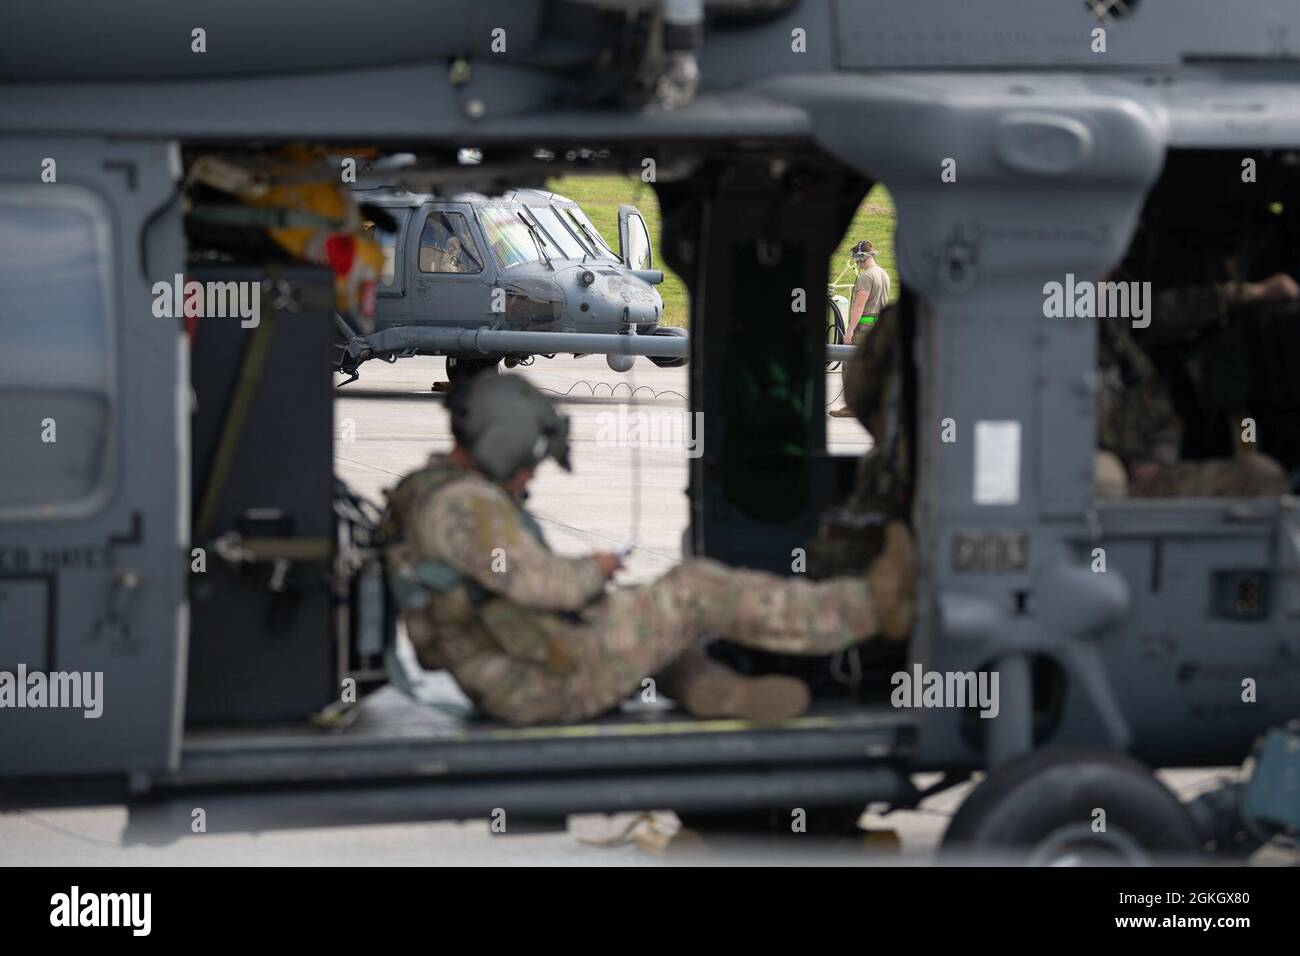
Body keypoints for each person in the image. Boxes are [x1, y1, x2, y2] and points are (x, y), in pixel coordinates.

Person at [384, 374, 915, 726]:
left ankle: (717, 693)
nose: (527, 475)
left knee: (645, 618)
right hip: (542, 684)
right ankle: (870, 605)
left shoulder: (430, 494)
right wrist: (593, 568)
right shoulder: (467, 507)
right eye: (528, 460)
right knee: (693, 589)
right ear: (501, 445)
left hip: (515, 672)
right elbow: (537, 582)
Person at [1096, 273, 1298, 498]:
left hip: (1155, 466)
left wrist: (1159, 457)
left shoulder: (1119, 336)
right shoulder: (1060, 332)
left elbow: (1163, 417)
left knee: (1259, 470)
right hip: (1097, 479)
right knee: (1105, 478)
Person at [831, 239, 891, 418]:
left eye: (856, 259)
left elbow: (859, 305)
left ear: (861, 257)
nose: (856, 263)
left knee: (850, 364)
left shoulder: (866, 276)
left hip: (863, 327)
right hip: (876, 325)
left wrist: (850, 330)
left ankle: (852, 406)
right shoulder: (883, 274)